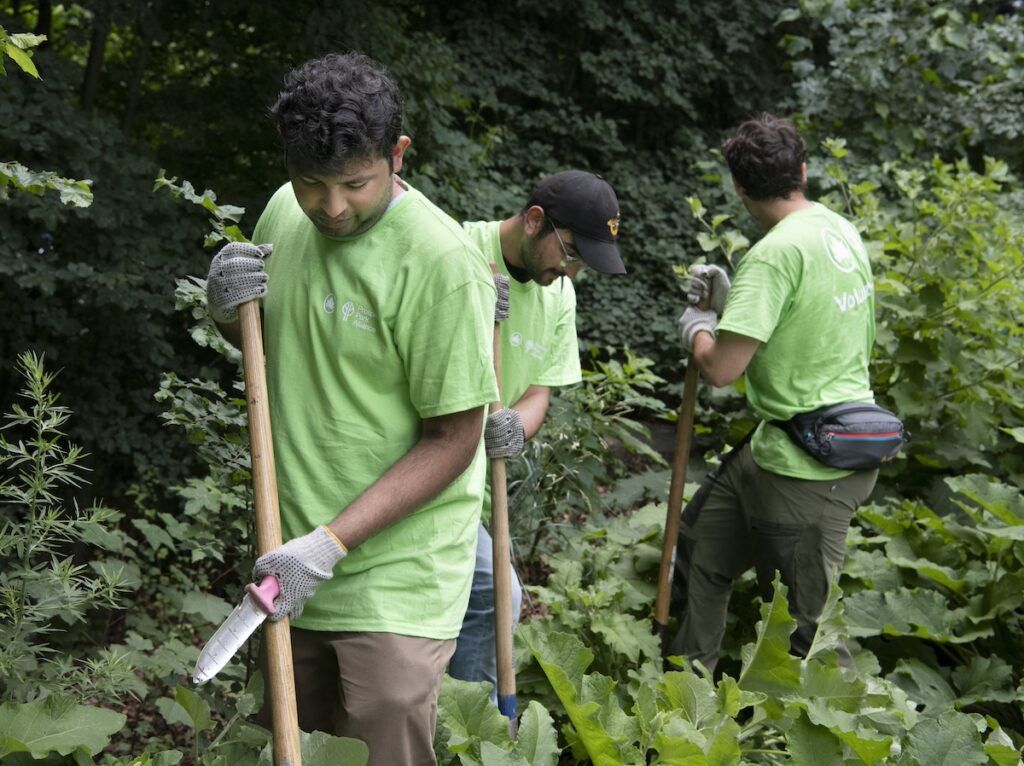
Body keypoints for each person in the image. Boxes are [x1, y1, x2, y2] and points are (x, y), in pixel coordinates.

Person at [203, 53, 497, 764]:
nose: (332, 208)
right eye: (313, 183)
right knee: (296, 744)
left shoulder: (440, 263)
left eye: (355, 184)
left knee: (380, 729)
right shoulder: (282, 211)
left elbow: (456, 438)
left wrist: (329, 545)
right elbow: (268, 341)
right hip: (289, 546)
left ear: (397, 156)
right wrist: (223, 310)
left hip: (397, 567)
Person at [669, 113, 878, 672]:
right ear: (803, 171)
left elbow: (722, 370)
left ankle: (839, 742)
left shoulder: (773, 255)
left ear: (738, 186)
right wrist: (733, 301)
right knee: (698, 548)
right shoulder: (838, 229)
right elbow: (800, 315)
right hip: (789, 445)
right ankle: (687, 700)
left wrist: (697, 326)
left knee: (805, 634)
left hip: (808, 471)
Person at [450, 170, 626, 695]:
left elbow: (538, 394)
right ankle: (471, 723)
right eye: (569, 252)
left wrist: (513, 426)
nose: (571, 271)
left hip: (474, 485)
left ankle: (466, 720)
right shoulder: (458, 251)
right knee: (495, 592)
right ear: (533, 221)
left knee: (492, 597)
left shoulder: (558, 295)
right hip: (421, 463)